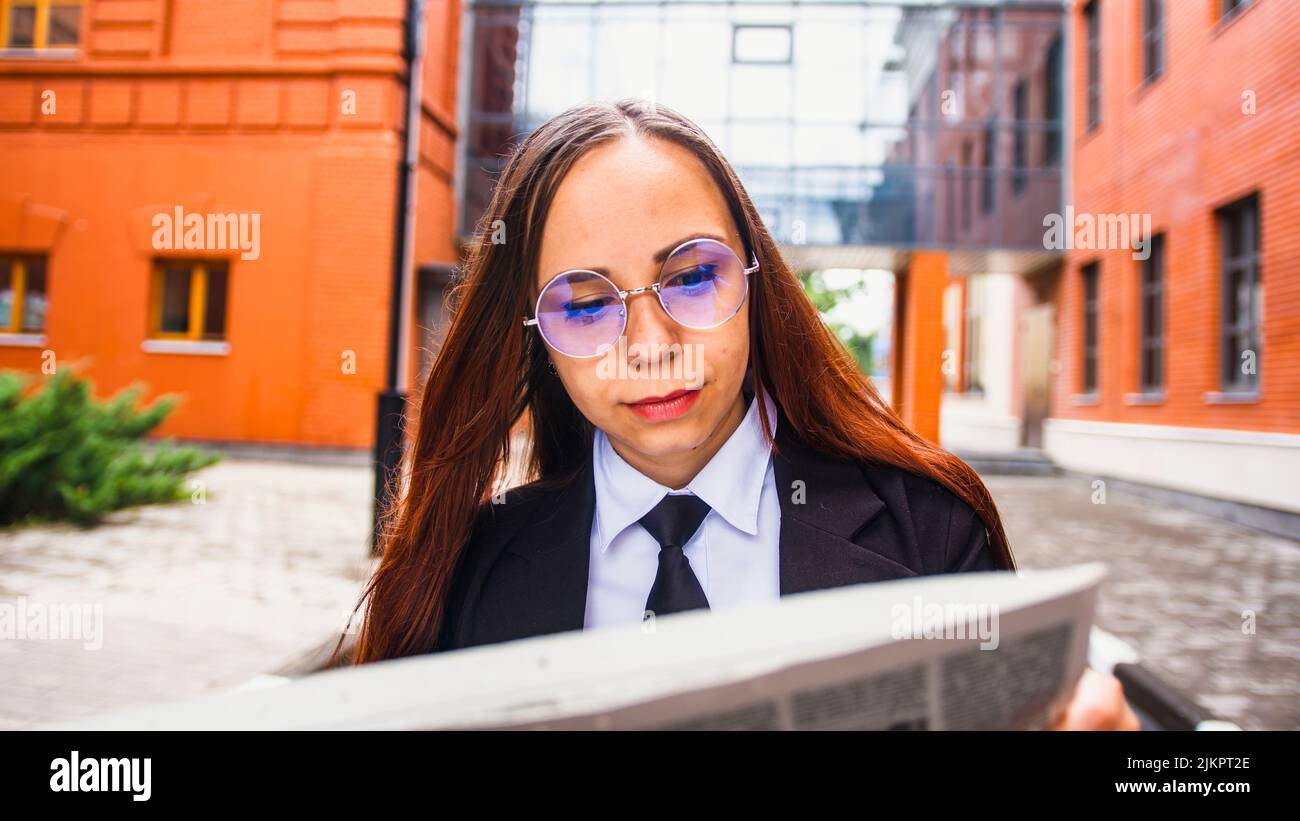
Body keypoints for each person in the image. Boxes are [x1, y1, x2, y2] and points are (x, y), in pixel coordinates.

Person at [339, 98, 1138, 730]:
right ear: (535, 337)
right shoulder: (476, 565)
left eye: (690, 278)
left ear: (755, 281)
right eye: (584, 303)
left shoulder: (929, 529)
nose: (652, 347)